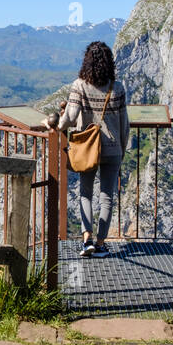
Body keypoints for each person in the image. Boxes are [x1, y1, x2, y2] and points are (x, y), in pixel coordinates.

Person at [57, 41, 129, 257]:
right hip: (113, 149)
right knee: (107, 196)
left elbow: (69, 117)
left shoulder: (79, 85)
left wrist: (54, 125)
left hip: (88, 148)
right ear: (109, 63)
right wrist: (122, 150)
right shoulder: (117, 88)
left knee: (86, 193)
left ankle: (86, 238)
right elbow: (125, 124)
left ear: (87, 61)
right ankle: (100, 243)